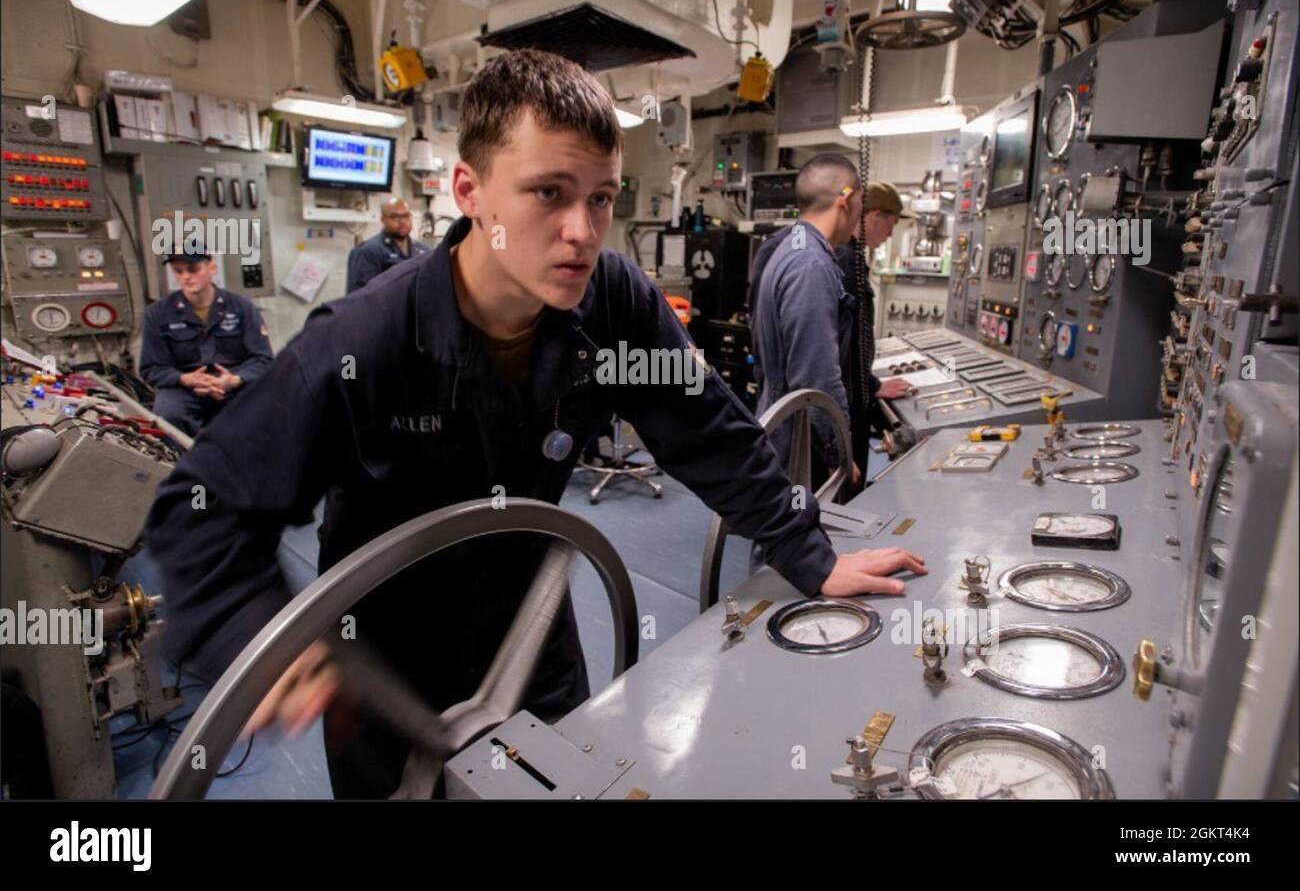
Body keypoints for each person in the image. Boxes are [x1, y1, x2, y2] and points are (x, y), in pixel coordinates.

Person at [143, 48, 928, 798]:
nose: (583, 231)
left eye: (601, 197)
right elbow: (200, 510)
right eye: (548, 193)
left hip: (530, 627)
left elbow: (707, 427)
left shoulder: (612, 301)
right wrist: (264, 640)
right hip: (386, 660)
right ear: (469, 190)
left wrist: (807, 550)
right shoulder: (363, 344)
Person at [749, 177, 914, 494]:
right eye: (890, 223)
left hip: (792, 413)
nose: (891, 233)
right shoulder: (822, 262)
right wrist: (837, 451)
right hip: (809, 424)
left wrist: (871, 386)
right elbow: (819, 365)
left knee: (791, 517)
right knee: (813, 515)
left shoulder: (787, 245)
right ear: (863, 211)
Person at [137, 246, 273, 436]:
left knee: (269, 410)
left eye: (193, 269)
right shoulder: (158, 314)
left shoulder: (242, 307)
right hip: (184, 388)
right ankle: (185, 463)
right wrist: (186, 379)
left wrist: (234, 380)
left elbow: (263, 359)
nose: (186, 277)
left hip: (235, 384)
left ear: (212, 268)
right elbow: (151, 368)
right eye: (178, 271)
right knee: (167, 416)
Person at [345, 197, 433, 292]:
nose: (402, 221)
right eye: (394, 217)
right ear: (383, 219)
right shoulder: (368, 251)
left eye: (406, 216)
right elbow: (359, 297)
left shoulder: (423, 251)